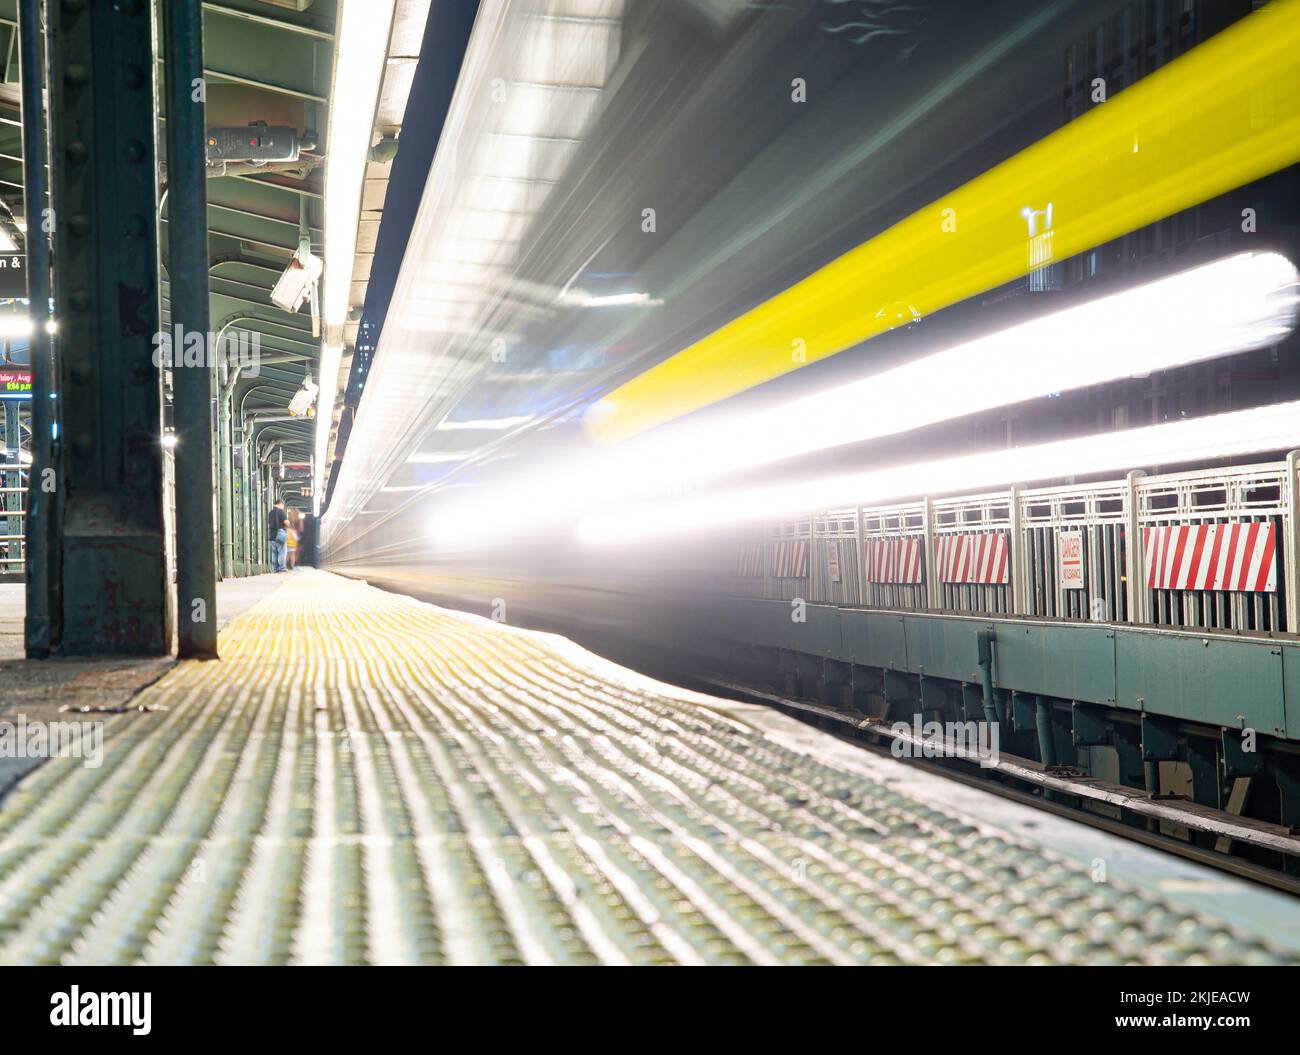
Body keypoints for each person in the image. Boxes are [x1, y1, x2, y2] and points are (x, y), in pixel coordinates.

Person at [267, 499, 288, 573]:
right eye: (283, 505)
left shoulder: (270, 513)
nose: (283, 507)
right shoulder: (281, 512)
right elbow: (286, 523)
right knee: (282, 551)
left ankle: (275, 569)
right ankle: (282, 568)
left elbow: (269, 524)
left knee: (274, 553)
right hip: (280, 534)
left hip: (272, 535)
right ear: (280, 504)